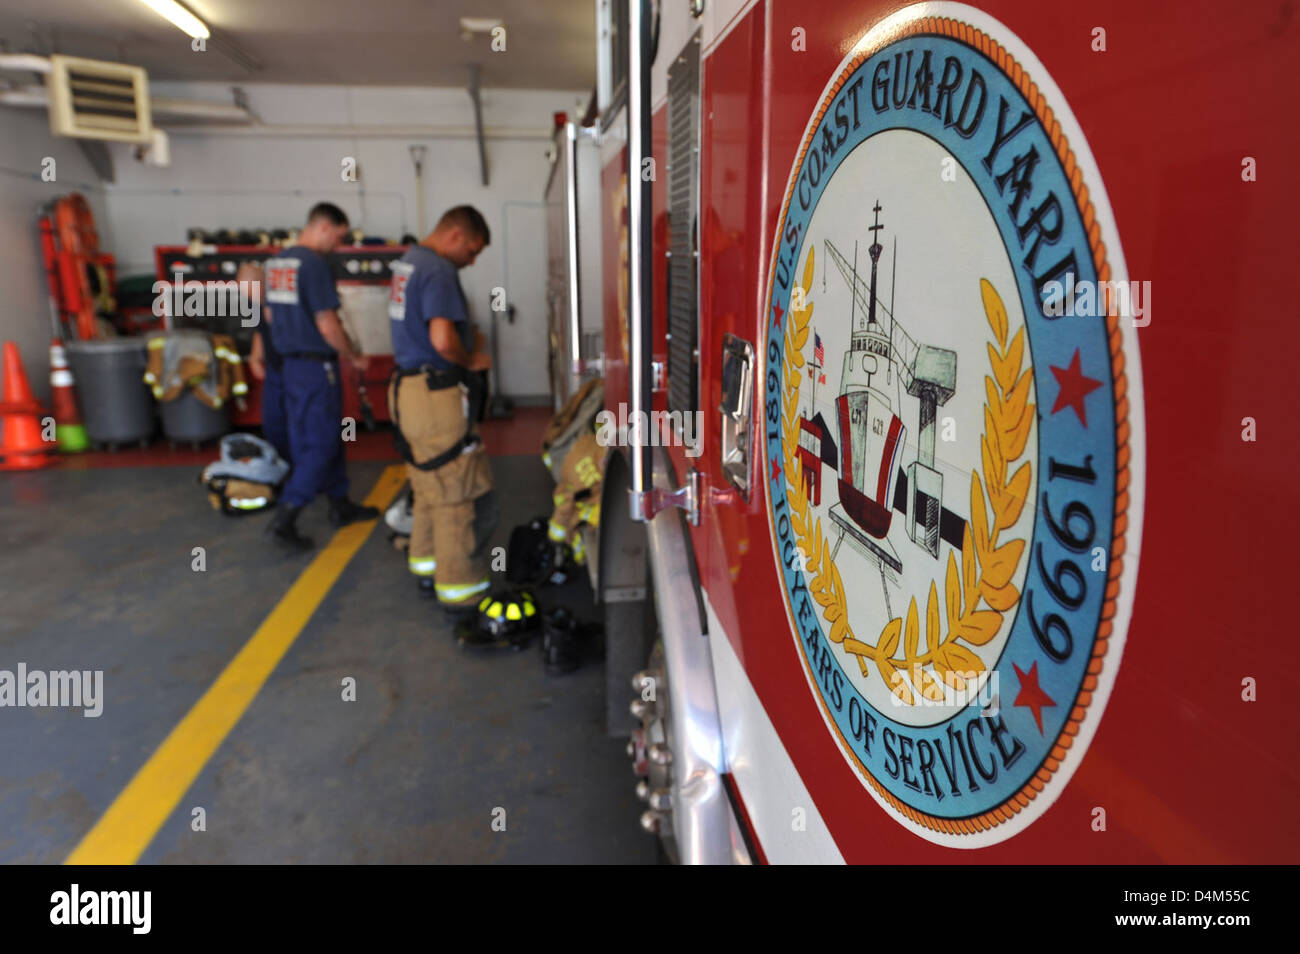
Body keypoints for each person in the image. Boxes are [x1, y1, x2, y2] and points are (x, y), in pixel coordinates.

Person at [387, 206, 495, 613]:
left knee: (427, 486)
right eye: (472, 250)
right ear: (454, 235)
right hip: (435, 393)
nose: (472, 260)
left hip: (407, 393)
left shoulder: (408, 263)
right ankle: (460, 591)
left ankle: (426, 567)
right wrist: (471, 362)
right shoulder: (437, 270)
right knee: (455, 491)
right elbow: (442, 339)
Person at [263, 202, 378, 551]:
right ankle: (285, 518)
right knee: (323, 441)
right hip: (316, 368)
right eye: (339, 238)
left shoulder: (276, 263)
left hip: (291, 367)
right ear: (325, 227)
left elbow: (269, 315)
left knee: (315, 437)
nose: (337, 247)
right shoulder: (313, 264)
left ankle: (340, 505)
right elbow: (327, 323)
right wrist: (353, 355)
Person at [238, 261, 290, 464]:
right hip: (274, 371)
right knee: (272, 422)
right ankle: (279, 464)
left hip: (294, 369)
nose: (247, 296)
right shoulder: (256, 304)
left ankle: (299, 468)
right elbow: (260, 331)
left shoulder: (281, 303)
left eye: (249, 290)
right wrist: (255, 357)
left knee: (298, 423)